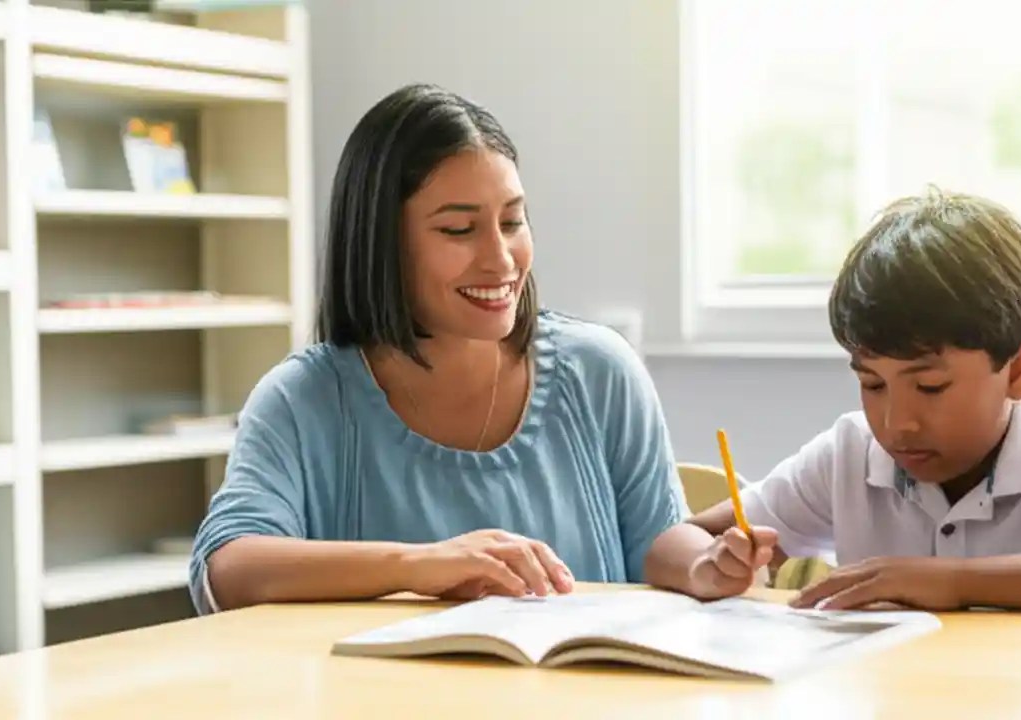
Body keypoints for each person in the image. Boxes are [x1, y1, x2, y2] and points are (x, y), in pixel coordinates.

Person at [189, 84, 687, 613]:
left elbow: (664, 548)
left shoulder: (600, 371)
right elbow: (227, 569)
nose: (501, 260)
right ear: (382, 243)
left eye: (513, 222)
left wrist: (717, 561)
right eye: (458, 229)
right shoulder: (302, 400)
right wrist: (422, 566)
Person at [646, 189, 1021, 611]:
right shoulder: (852, 453)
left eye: (930, 387)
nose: (897, 423)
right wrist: (708, 567)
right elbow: (677, 541)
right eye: (872, 383)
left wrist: (957, 581)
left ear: (1020, 368)